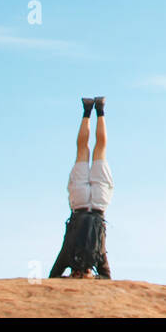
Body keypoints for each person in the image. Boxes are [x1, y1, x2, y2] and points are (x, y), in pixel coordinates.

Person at [49, 97, 113, 279]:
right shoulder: (67, 255)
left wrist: (91, 277)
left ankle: (99, 109)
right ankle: (88, 110)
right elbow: (53, 276)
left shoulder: (98, 257)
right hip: (79, 204)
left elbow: (107, 277)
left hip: (98, 206)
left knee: (100, 149)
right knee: (82, 150)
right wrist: (70, 276)